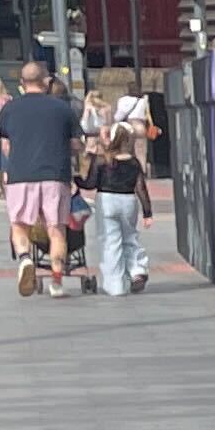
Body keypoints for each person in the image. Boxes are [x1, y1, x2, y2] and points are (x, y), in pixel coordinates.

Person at [0, 57, 82, 295]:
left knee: (19, 225)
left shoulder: (9, 109)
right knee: (56, 229)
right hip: (55, 175)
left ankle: (24, 258)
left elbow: (6, 147)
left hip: (20, 175)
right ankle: (57, 281)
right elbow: (75, 144)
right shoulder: (63, 109)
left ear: (22, 82)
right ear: (47, 81)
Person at [79, 79, 154, 295]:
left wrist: (77, 181)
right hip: (129, 200)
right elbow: (141, 186)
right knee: (130, 236)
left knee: (110, 241)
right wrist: (148, 212)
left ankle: (115, 285)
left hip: (107, 200)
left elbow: (91, 183)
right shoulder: (133, 161)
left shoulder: (103, 160)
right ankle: (138, 270)